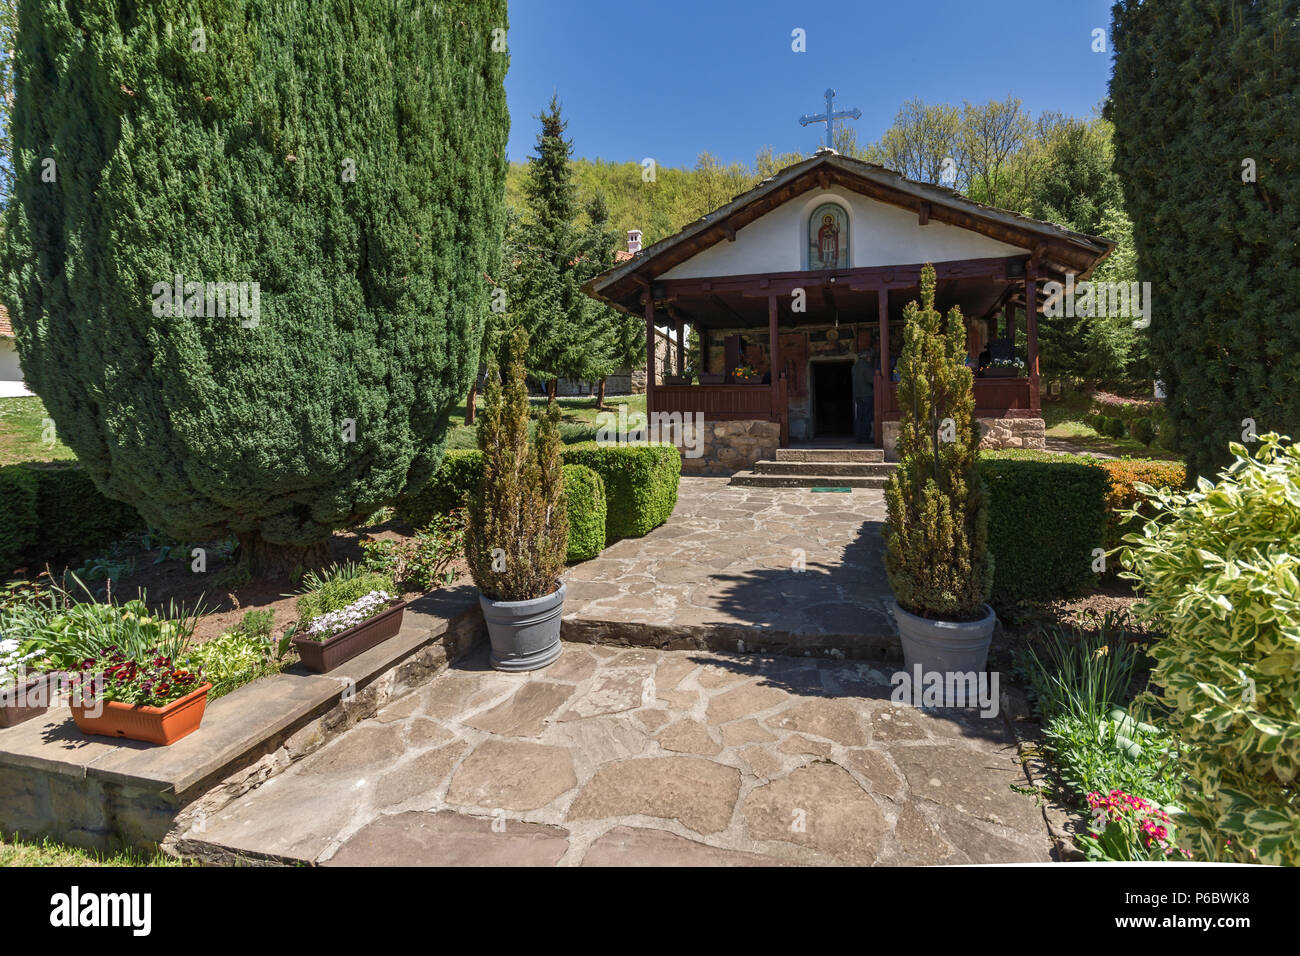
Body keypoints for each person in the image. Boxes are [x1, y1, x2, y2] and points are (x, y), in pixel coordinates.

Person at [851, 348, 875, 444]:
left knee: (859, 416)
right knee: (867, 416)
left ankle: (858, 436)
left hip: (857, 395)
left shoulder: (854, 367)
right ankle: (865, 437)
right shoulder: (866, 366)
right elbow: (871, 380)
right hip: (867, 394)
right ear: (867, 358)